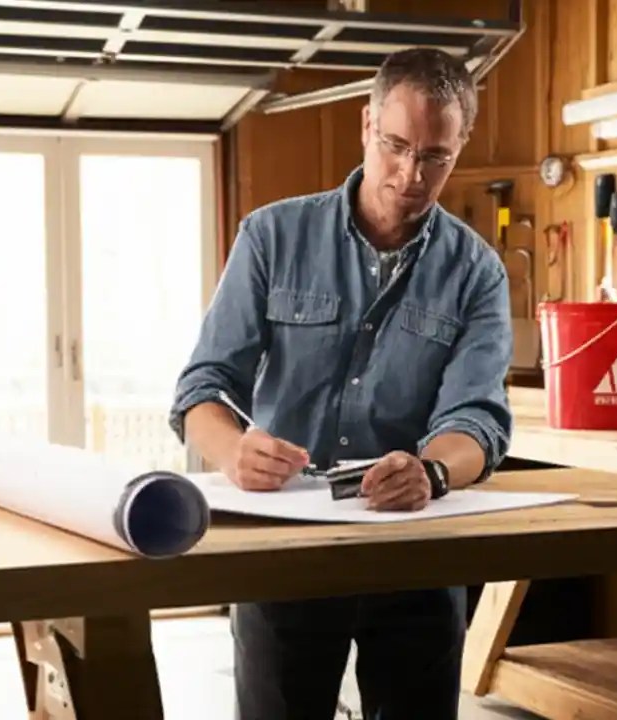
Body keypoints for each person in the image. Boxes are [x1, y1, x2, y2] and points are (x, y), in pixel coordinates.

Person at [168, 47, 513, 720]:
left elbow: (478, 420)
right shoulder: (271, 236)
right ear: (365, 125)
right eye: (396, 146)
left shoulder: (478, 272)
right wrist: (234, 450)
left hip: (418, 559)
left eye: (436, 156)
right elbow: (201, 391)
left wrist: (433, 473)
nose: (411, 175)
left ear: (461, 145)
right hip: (286, 557)